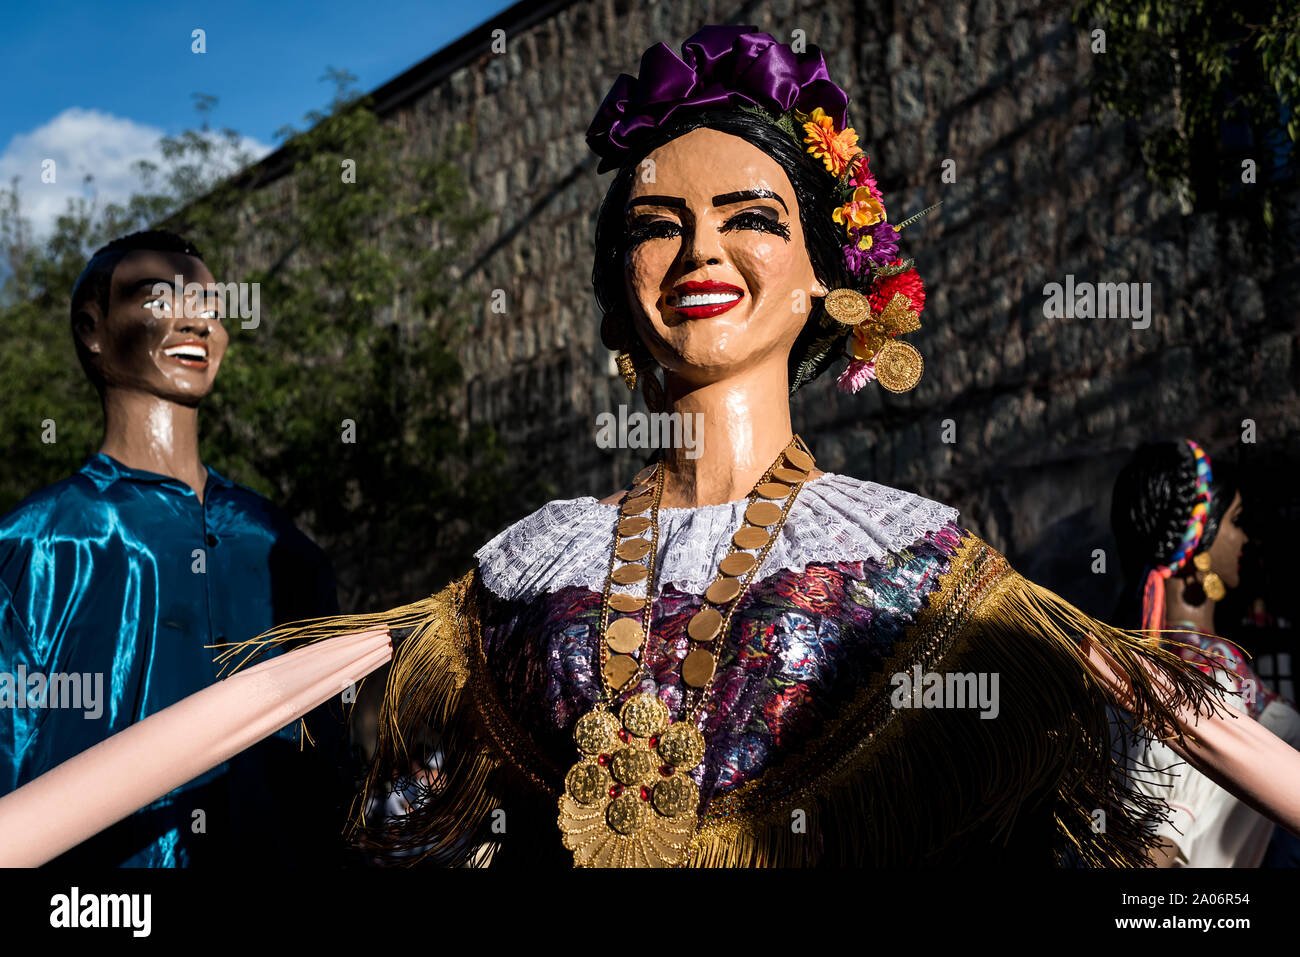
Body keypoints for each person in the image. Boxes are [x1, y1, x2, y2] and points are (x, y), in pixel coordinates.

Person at [4, 27, 1300, 869]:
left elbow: (1168, 716)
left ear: (826, 275)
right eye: (654, 225)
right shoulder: (528, 565)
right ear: (619, 284)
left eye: (750, 217)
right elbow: (276, 693)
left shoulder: (915, 561)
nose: (699, 256)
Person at [0, 230, 345, 866]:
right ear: (92, 329)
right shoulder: (40, 546)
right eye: (159, 299)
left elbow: (328, 768)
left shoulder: (282, 547)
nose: (196, 321)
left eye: (212, 305)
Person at [1111, 440, 1300, 867]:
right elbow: (1149, 847)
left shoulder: (1205, 663)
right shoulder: (1192, 675)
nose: (1244, 538)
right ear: (1199, 539)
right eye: (1234, 521)